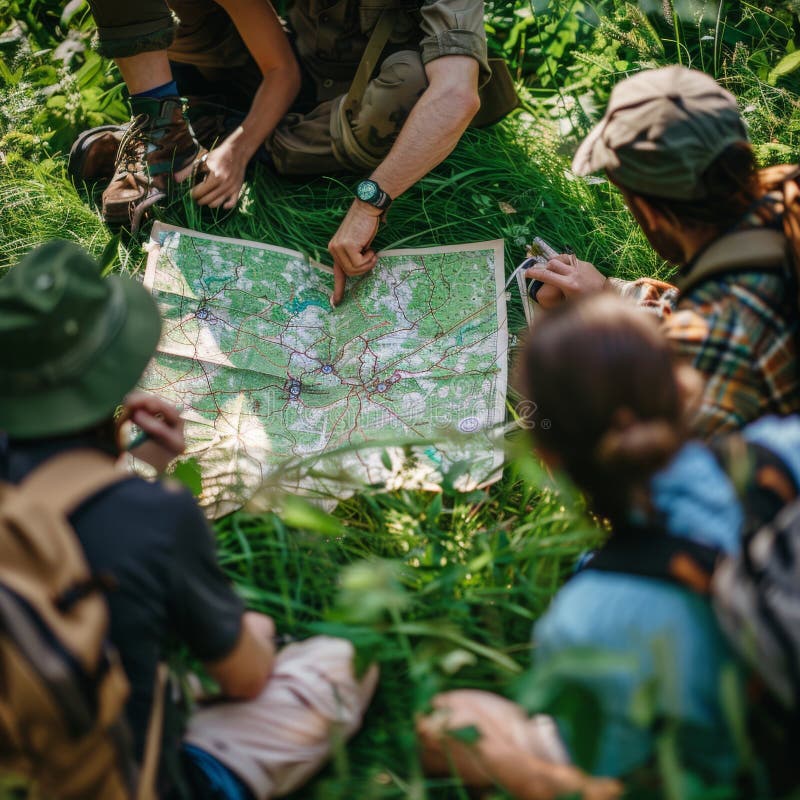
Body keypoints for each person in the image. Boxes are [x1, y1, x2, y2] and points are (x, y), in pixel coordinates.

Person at [0, 240, 377, 799]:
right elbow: (245, 678)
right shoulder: (156, 517)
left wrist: (132, 462)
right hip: (117, 776)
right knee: (343, 662)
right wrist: (253, 631)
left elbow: (55, 515)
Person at [419, 293, 800, 794]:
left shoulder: (582, 625)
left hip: (741, 771)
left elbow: (605, 774)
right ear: (684, 387)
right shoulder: (784, 445)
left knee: (450, 721)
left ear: (548, 461)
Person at [73, 0, 493, 305]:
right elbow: (281, 67)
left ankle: (209, 132)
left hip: (366, 107)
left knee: (411, 83)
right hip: (289, 67)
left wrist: (369, 204)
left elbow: (456, 96)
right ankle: (163, 129)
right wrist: (239, 148)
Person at [524, 65, 800, 438]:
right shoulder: (784, 199)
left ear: (649, 210)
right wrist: (611, 294)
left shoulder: (713, 350)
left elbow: (658, 474)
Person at [71, 0, 301, 232]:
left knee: (304, 145)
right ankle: (159, 134)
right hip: (188, 82)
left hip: (260, 87)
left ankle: (172, 143)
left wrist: (237, 151)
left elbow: (283, 72)